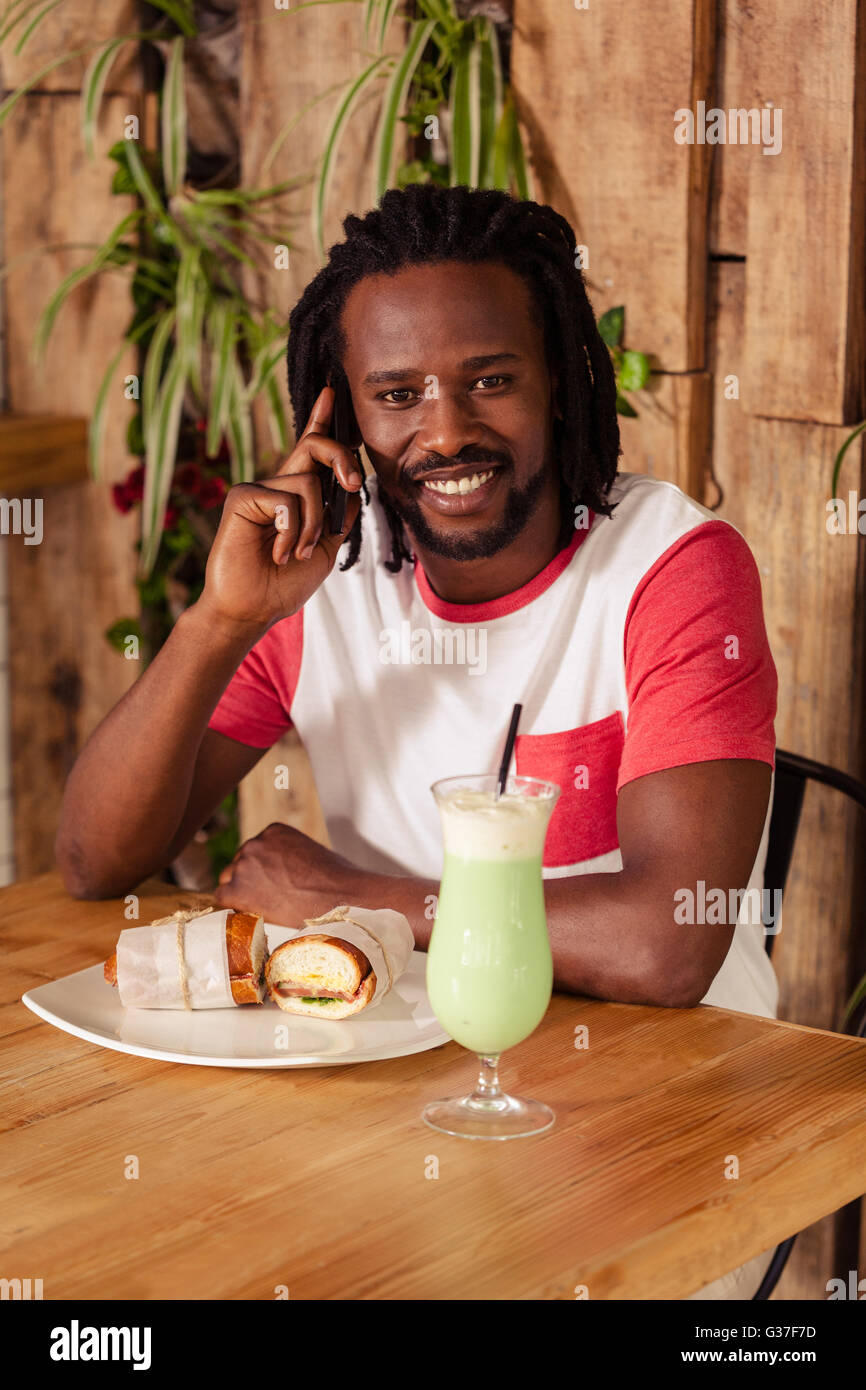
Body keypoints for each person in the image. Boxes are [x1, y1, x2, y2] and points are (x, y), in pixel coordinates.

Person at [56, 184, 780, 1299]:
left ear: (560, 379)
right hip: (396, 1106)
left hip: (661, 1136)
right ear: (339, 421)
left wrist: (352, 896)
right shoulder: (321, 587)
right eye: (397, 395)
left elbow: (663, 947)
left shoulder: (667, 571)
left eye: (490, 379)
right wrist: (220, 621)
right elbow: (97, 859)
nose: (444, 431)